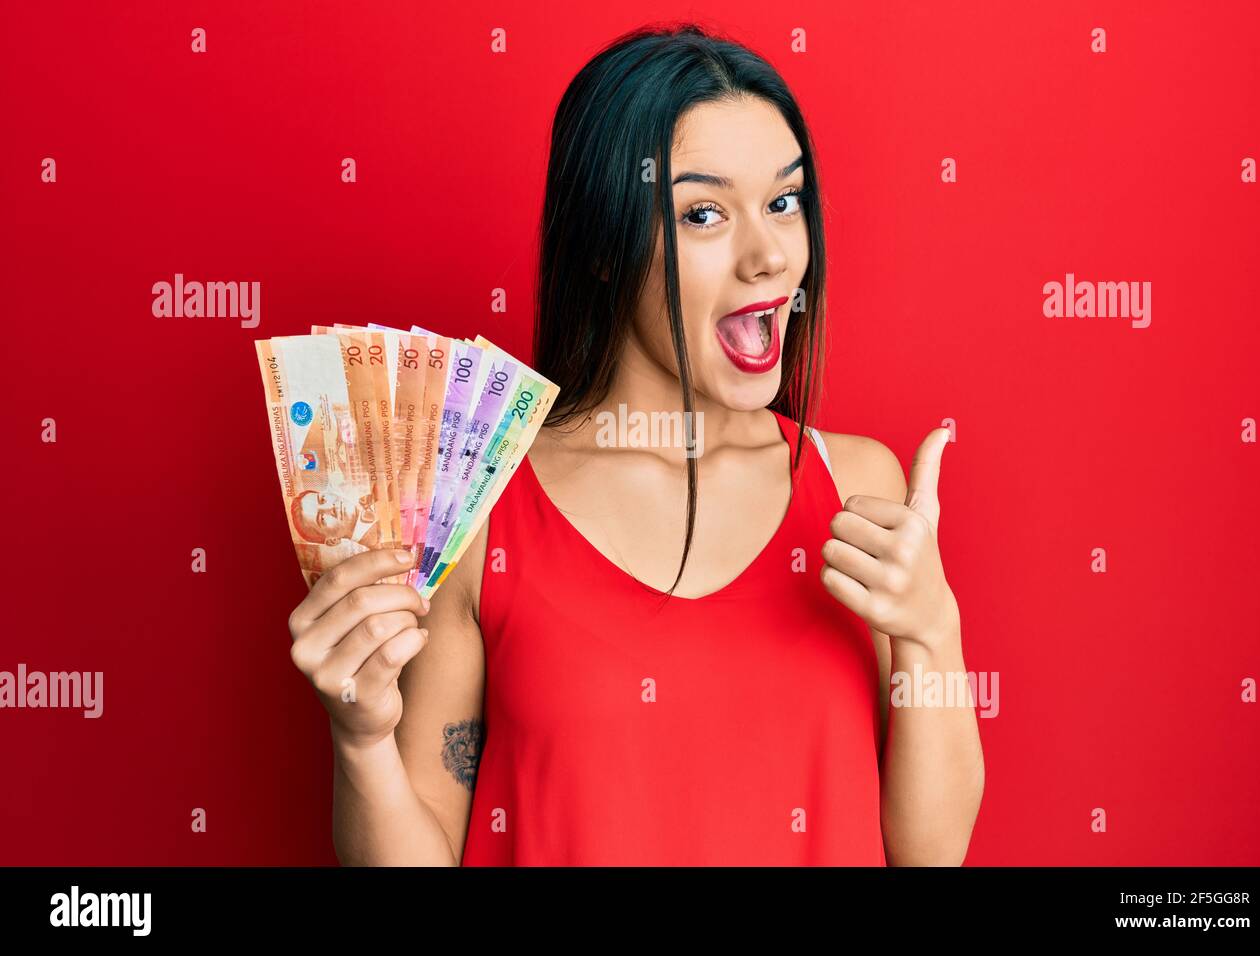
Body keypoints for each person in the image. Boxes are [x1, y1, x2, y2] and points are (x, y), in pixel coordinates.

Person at [287, 23, 983, 866]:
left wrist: (932, 630)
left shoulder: (856, 489)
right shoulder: (484, 510)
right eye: (703, 213)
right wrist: (361, 740)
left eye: (784, 201)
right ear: (607, 247)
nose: (768, 256)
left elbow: (931, 855)